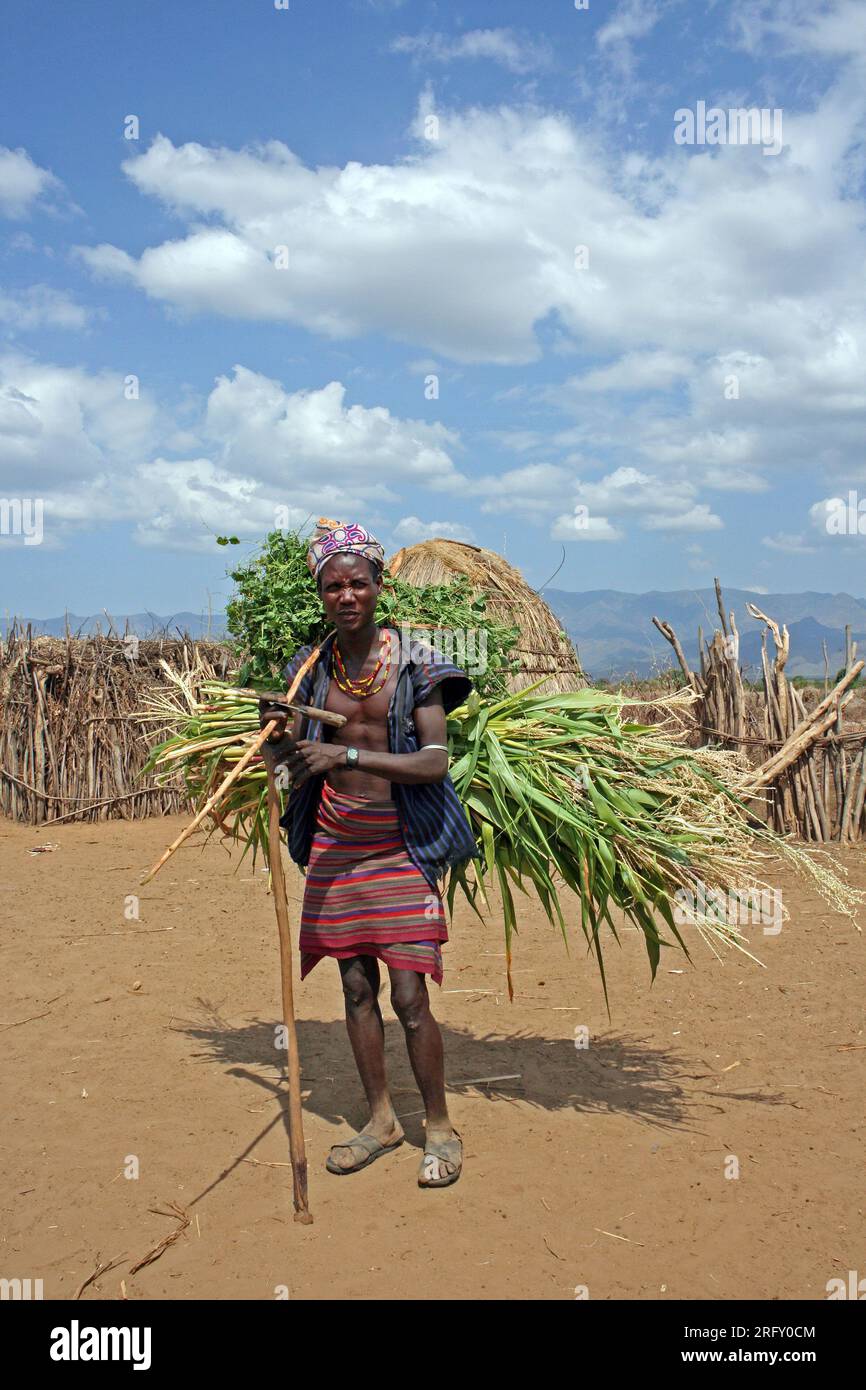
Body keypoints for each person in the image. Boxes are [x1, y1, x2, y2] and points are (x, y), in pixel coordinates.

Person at [259, 519, 480, 1188]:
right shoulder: (308, 668)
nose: (346, 594)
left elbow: (435, 762)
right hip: (334, 842)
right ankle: (380, 1120)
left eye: (358, 582)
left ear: (379, 586)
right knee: (356, 987)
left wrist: (348, 752)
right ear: (320, 592)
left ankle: (438, 1126)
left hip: (399, 845)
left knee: (410, 994)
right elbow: (292, 759)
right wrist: (273, 738)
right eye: (334, 585)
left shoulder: (417, 664)